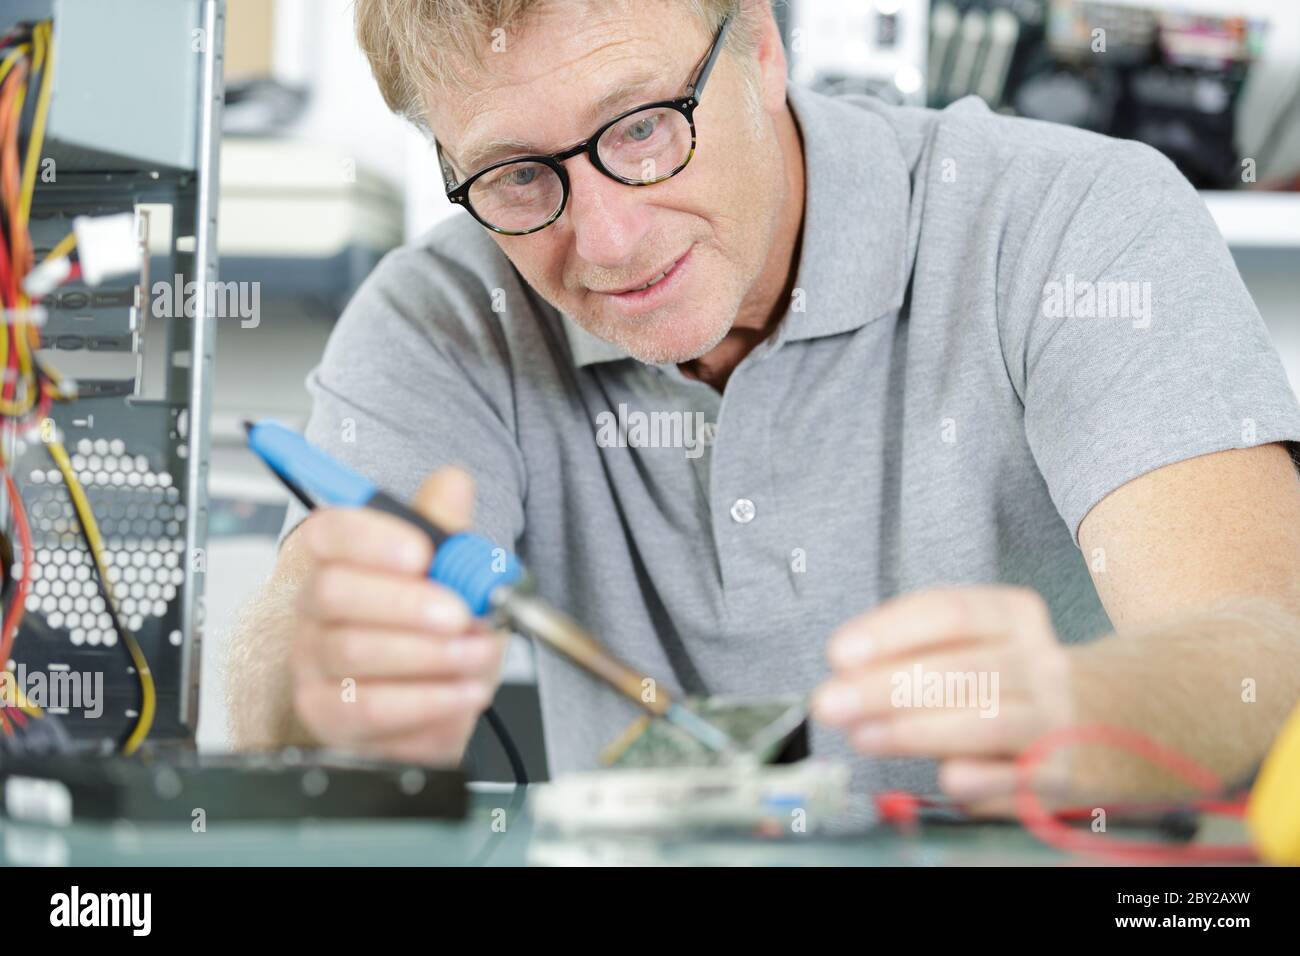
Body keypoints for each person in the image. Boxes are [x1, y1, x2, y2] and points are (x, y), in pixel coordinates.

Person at [227, 0, 1300, 808]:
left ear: (763, 52)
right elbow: (289, 669)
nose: (607, 240)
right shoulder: (440, 314)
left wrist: (1077, 707)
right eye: (514, 175)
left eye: (642, 127)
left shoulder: (1074, 221)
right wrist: (312, 681)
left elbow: (1268, 642)